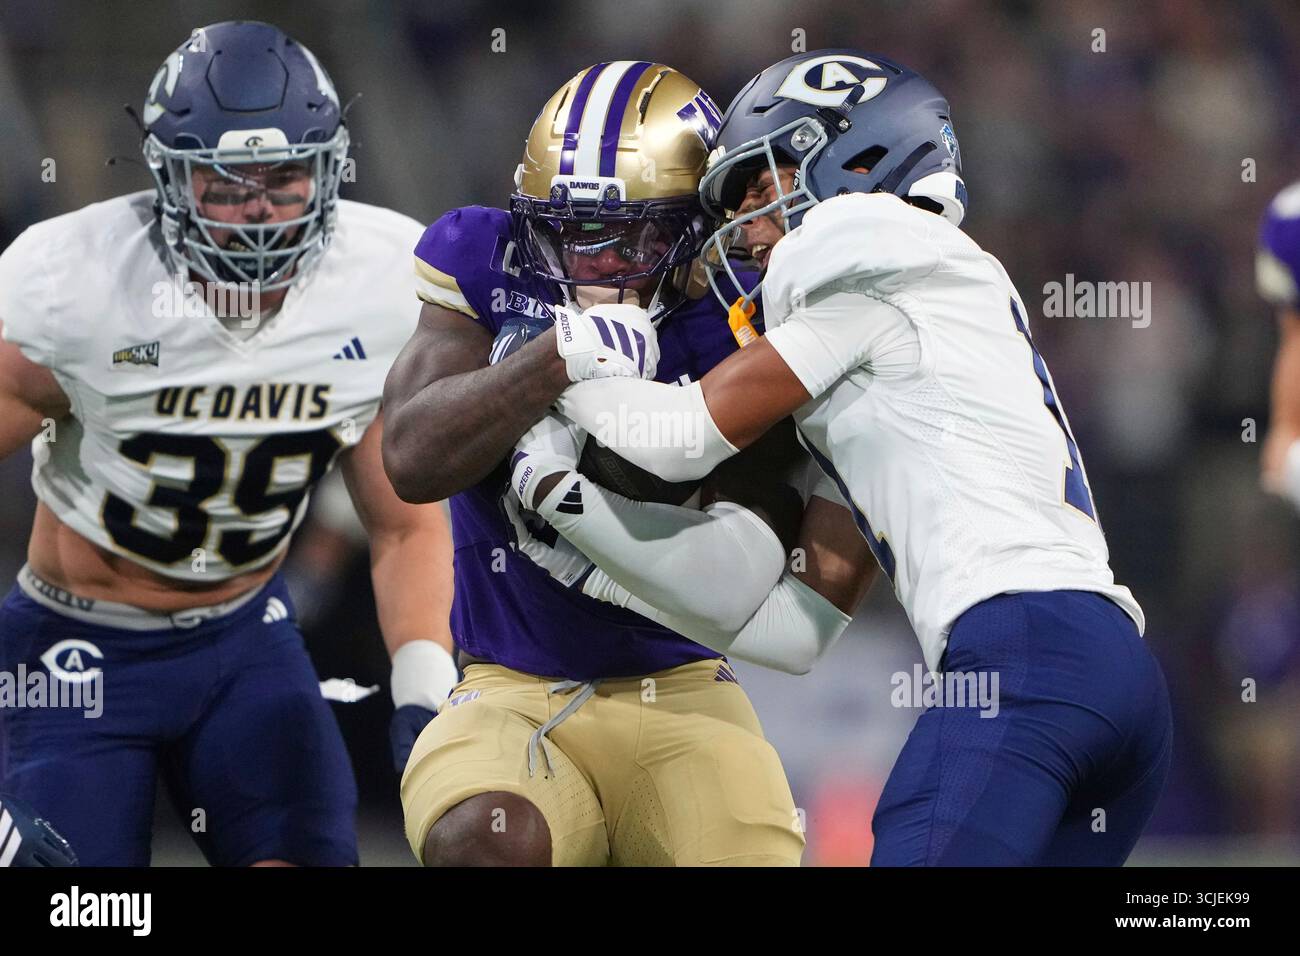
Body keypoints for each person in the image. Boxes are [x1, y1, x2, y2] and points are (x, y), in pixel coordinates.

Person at [547, 49, 1173, 865]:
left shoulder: (863, 243)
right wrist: (582, 532)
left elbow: (682, 437)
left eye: (765, 186)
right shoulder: (906, 366)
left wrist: (556, 357)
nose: (750, 230)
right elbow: (794, 628)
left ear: (858, 161)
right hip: (1114, 677)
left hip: (1026, 658)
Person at [0, 20, 455, 866]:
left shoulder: (382, 281)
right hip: (77, 649)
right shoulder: (80, 283)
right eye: (225, 181)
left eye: (284, 177)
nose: (256, 210)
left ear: (329, 170)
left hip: (245, 636)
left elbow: (405, 522)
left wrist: (425, 685)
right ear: (170, 181)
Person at [382, 62, 844, 866]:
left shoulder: (737, 321)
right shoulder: (483, 258)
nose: (592, 260)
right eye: (567, 229)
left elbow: (746, 565)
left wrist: (573, 495)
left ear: (697, 228)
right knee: (484, 844)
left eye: (632, 233)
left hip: (683, 687)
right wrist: (550, 361)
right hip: (507, 688)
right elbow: (411, 459)